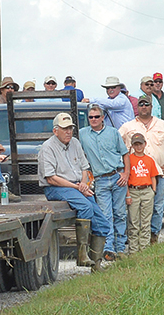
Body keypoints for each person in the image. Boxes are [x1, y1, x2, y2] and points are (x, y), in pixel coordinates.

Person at [38, 113, 110, 268]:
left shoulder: (75, 143)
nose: (68, 132)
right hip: (56, 188)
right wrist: (78, 187)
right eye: (64, 129)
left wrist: (83, 184)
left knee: (103, 224)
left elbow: (84, 167)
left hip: (77, 187)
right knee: (85, 207)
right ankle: (81, 254)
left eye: (70, 128)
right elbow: (50, 178)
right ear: (55, 130)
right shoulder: (47, 147)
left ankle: (96, 267)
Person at [117, 93, 164, 245]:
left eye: (147, 104)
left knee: (158, 208)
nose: (144, 107)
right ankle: (135, 240)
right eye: (141, 105)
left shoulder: (162, 125)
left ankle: (153, 237)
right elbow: (115, 144)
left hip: (158, 173)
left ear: (151, 107)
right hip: (135, 176)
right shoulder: (128, 126)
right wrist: (121, 166)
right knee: (134, 209)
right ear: (137, 107)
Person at [76, 104, 126, 260]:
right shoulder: (82, 134)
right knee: (106, 215)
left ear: (102, 118)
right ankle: (108, 248)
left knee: (120, 214)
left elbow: (125, 153)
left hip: (117, 176)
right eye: (90, 117)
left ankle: (121, 247)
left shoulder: (113, 132)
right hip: (100, 179)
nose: (93, 119)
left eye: (96, 116)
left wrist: (126, 173)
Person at [121, 133, 161, 253]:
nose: (138, 147)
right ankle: (133, 250)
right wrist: (127, 194)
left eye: (140, 144)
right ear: (132, 146)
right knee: (133, 221)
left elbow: (153, 176)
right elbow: (126, 178)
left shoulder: (149, 160)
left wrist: (153, 191)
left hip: (147, 190)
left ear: (145, 144)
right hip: (134, 191)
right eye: (136, 144)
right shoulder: (129, 159)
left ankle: (144, 249)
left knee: (146, 221)